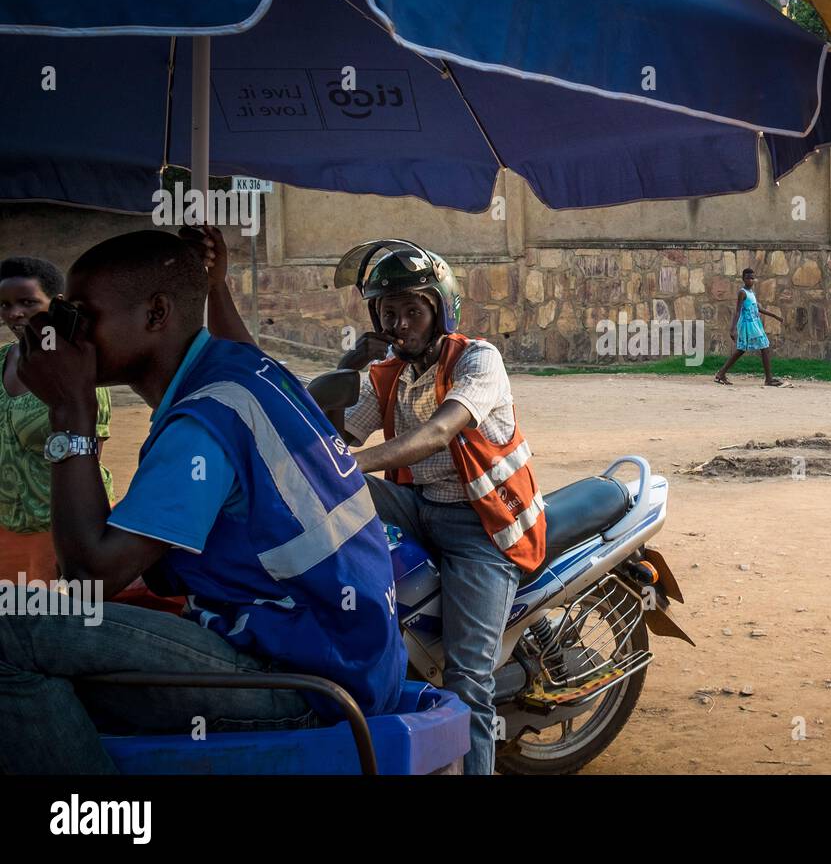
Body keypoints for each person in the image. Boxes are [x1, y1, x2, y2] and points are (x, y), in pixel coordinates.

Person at [0, 229, 405, 774]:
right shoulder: (244, 373)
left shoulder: (203, 423)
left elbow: (90, 576)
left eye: (84, 316)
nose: (71, 335)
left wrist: (69, 411)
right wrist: (214, 284)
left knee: (9, 631)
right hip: (349, 657)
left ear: (156, 314)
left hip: (301, 683)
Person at [335, 239, 546, 776]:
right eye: (390, 313)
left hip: (486, 526)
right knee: (324, 490)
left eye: (413, 310)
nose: (401, 323)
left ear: (440, 310)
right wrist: (350, 364)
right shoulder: (388, 372)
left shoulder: (478, 359)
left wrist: (349, 465)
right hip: (419, 507)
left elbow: (439, 431)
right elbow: (328, 431)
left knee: (468, 676)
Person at [1, 257, 114, 581]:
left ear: (57, 305)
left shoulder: (76, 372)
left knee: (54, 623)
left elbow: (88, 460)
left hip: (60, 534)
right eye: (5, 305)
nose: (14, 314)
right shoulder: (0, 361)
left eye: (27, 302)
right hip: (8, 531)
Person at [714, 267, 784, 386]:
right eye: (748, 278)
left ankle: (721, 374)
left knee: (743, 349)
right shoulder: (742, 292)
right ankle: (768, 379)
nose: (751, 280)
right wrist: (732, 329)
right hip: (747, 324)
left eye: (752, 278)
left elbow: (758, 308)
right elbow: (737, 311)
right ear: (743, 279)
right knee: (764, 347)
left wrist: (774, 316)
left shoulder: (751, 293)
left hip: (755, 323)